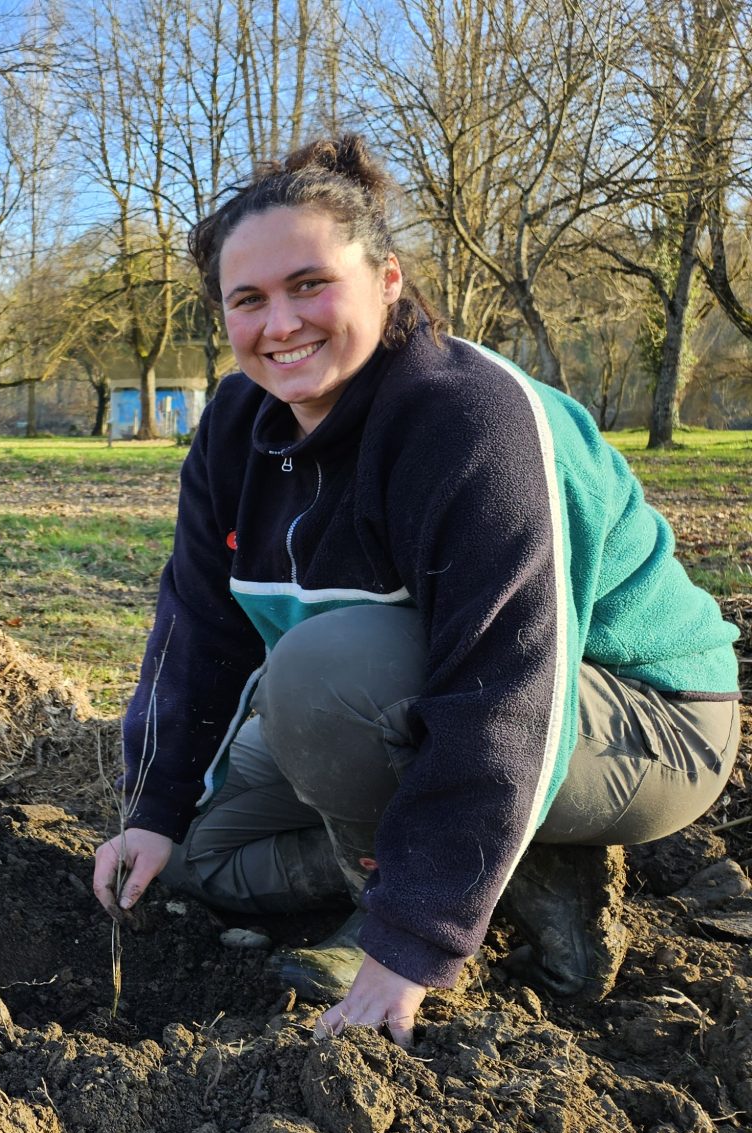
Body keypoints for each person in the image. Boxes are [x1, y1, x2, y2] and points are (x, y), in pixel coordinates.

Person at [91, 135, 740, 1046]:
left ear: (386, 279)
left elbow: (511, 693)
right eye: (249, 300)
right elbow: (200, 628)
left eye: (310, 284)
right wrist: (153, 809)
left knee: (321, 674)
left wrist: (413, 940)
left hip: (635, 714)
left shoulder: (468, 420)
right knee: (201, 850)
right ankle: (455, 865)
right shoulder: (234, 428)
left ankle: (454, 904)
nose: (280, 324)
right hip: (419, 697)